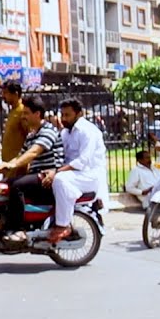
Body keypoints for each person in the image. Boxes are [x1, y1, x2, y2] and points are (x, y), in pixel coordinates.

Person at [0, 96, 63, 243]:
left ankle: (17, 228)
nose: (23, 117)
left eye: (26, 113)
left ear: (37, 114)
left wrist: (13, 164)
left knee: (15, 186)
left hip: (48, 177)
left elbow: (33, 152)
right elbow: (21, 156)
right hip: (37, 176)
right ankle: (6, 223)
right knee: (1, 187)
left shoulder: (48, 131)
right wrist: (1, 168)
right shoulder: (32, 134)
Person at [41, 99, 108, 243]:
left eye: (68, 115)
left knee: (59, 179)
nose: (64, 119)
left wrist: (56, 172)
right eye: (62, 115)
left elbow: (82, 161)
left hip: (88, 176)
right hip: (74, 174)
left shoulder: (87, 131)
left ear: (79, 114)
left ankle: (63, 225)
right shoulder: (66, 132)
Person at [0, 80, 29, 181]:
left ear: (15, 94)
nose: (3, 96)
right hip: (8, 166)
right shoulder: (13, 111)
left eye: (6, 93)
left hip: (17, 167)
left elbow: (29, 137)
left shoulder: (23, 112)